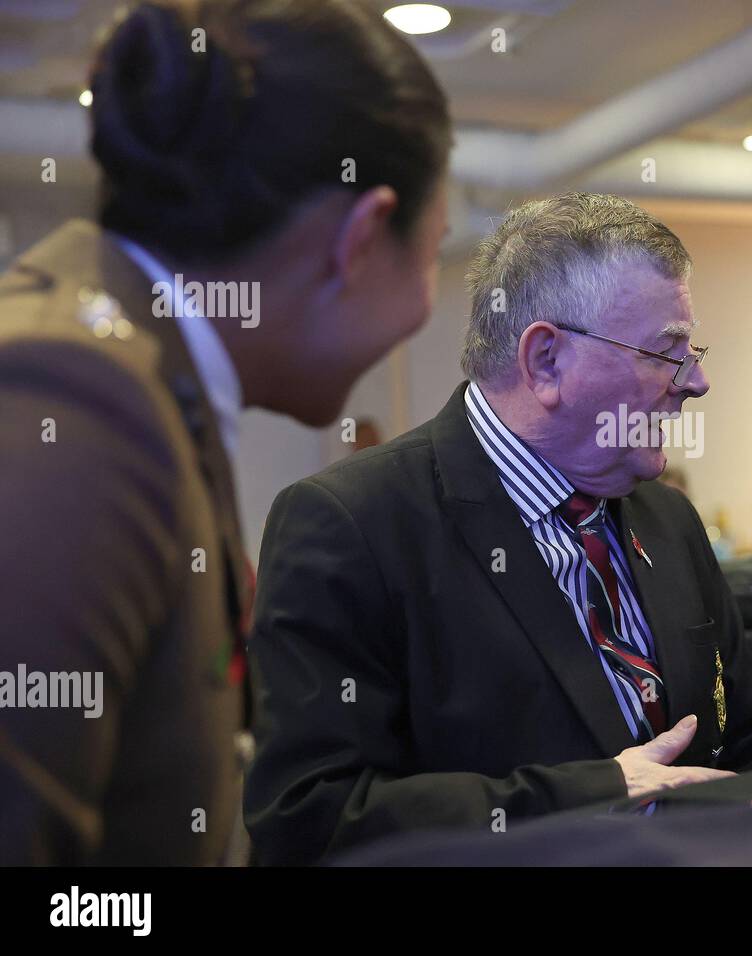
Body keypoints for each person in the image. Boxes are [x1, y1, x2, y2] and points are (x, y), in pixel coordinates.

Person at [0, 0, 451, 865]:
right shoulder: (80, 405)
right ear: (358, 242)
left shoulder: (136, 371)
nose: (425, 304)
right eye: (431, 255)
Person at [244, 193, 752, 865]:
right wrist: (601, 791)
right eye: (666, 352)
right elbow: (312, 816)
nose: (698, 382)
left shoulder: (668, 517)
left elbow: (751, 732)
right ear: (546, 362)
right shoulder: (352, 525)